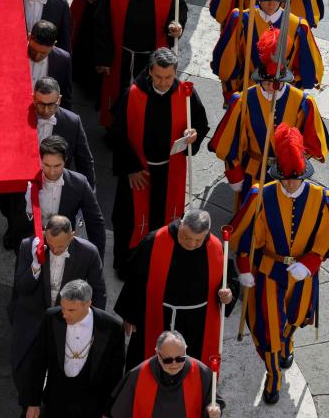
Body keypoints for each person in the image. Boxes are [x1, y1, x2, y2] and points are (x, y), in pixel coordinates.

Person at [230, 124, 329, 405]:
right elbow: (248, 235)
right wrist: (246, 264)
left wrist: (310, 261)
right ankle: (273, 375)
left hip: (303, 274)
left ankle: (289, 343)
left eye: (295, 179)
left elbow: (326, 235)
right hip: (270, 272)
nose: (290, 184)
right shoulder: (262, 195)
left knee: (295, 319)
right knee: (270, 328)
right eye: (285, 179)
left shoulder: (322, 199)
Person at [110, 48, 209, 275]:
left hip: (169, 170)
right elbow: (119, 134)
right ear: (150, 73)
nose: (164, 83)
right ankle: (128, 267)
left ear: (175, 72)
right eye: (158, 77)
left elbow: (201, 124)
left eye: (169, 77)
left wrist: (193, 134)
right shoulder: (133, 94)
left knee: (164, 220)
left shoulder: (185, 94)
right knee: (130, 220)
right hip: (139, 172)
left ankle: (160, 264)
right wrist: (132, 168)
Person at [209, 29, 328, 201]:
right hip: (253, 173)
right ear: (260, 78)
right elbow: (229, 143)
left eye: (277, 83)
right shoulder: (243, 101)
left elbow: (314, 143)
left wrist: (295, 162)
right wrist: (235, 173)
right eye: (267, 82)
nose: (272, 87)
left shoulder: (303, 102)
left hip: (287, 177)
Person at [115, 210, 238, 371]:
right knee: (147, 362)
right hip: (158, 315)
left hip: (197, 323)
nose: (192, 243)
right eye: (186, 237)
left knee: (191, 368)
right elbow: (135, 279)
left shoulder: (216, 249)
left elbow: (230, 282)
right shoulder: (155, 241)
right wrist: (129, 314)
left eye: (198, 240)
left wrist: (228, 295)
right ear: (181, 224)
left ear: (206, 233)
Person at [94, 0, 187, 127]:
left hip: (152, 56)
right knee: (121, 96)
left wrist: (175, 27)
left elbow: (179, 12)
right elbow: (101, 21)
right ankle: (118, 131)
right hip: (123, 55)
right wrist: (103, 58)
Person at [211, 0, 322, 102]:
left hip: (282, 92)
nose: (271, 4)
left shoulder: (298, 26)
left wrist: (289, 92)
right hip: (248, 94)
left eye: (276, 0)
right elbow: (229, 62)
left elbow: (306, 68)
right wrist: (233, 94)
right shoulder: (241, 20)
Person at [23, 280, 124, 418]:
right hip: (55, 402)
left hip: (92, 408)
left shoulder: (112, 328)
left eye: (71, 310)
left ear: (88, 303)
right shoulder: (51, 318)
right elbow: (38, 362)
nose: (64, 314)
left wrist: (108, 412)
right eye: (63, 307)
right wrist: (33, 403)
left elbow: (115, 375)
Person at [0, 137, 105, 257]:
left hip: (63, 247)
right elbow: (14, 217)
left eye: (57, 165)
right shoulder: (25, 181)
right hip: (32, 246)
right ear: (40, 160)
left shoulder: (79, 183)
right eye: (47, 165)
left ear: (65, 160)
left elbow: (96, 223)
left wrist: (97, 262)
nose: (52, 172)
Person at [110, 330, 221, 418]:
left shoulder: (200, 371)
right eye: (168, 360)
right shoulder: (139, 374)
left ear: (186, 350)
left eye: (180, 358)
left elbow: (214, 401)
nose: (174, 364)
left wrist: (214, 409)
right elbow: (120, 410)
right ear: (157, 353)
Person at [31, 77, 95, 187]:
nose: (46, 111)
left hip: (57, 187)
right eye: (41, 104)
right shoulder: (19, 119)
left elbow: (85, 162)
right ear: (33, 98)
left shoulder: (72, 123)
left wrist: (89, 195)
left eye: (51, 105)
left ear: (59, 99)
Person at [27, 20, 72, 109]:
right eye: (33, 50)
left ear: (54, 44)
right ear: (29, 37)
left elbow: (66, 96)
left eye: (43, 53)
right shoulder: (13, 53)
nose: (36, 57)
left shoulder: (63, 60)